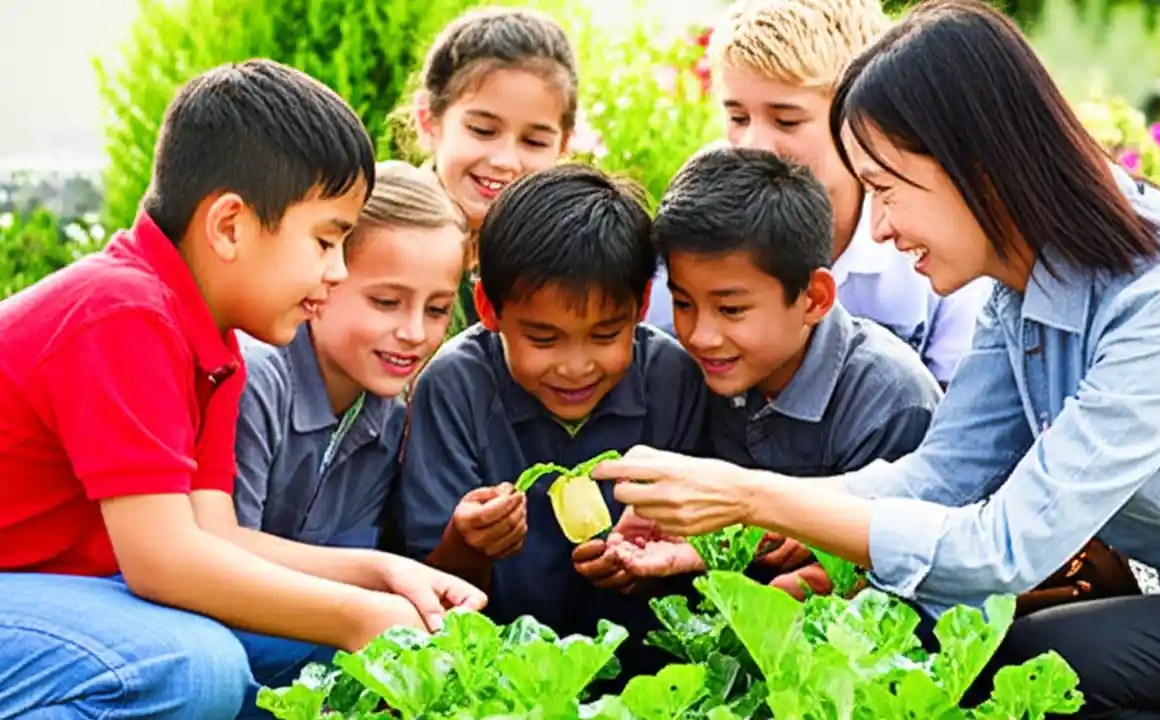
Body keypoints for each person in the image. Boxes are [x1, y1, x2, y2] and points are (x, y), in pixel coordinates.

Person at [592, 1, 1160, 717]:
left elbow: (1004, 550)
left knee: (1048, 665)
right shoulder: (1023, 283)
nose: (881, 226)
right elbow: (939, 478)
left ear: (977, 165)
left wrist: (750, 496)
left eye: (886, 190)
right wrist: (718, 523)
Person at [0, 60, 483, 720]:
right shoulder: (124, 312)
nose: (336, 270)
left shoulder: (213, 342)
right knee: (194, 670)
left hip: (51, 593)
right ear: (229, 226)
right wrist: (354, 615)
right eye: (325, 240)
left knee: (311, 649)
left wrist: (381, 576)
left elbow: (214, 538)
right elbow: (163, 564)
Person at [394, 163, 707, 680]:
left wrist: (647, 571)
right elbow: (429, 585)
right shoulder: (455, 387)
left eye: (606, 335)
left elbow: (703, 557)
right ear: (488, 310)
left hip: (647, 680)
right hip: (495, 681)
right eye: (544, 339)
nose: (575, 366)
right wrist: (467, 544)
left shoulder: (673, 380)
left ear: (641, 307)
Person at [630, 145, 939, 596]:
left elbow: (908, 563)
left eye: (731, 309)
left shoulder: (889, 400)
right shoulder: (684, 368)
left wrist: (824, 582)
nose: (700, 335)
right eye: (682, 303)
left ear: (813, 298)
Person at [643, 0, 990, 386]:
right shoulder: (701, 204)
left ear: (860, 117)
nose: (754, 144)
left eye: (787, 121)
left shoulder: (923, 226)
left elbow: (961, 403)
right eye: (738, 117)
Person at [234, 161, 467, 550]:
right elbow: (225, 556)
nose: (413, 333)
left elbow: (347, 561)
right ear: (324, 278)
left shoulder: (388, 416)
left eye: (437, 309)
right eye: (386, 302)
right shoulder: (257, 380)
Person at [409, 6, 579, 330]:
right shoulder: (376, 235)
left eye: (534, 142)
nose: (505, 161)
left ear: (564, 145)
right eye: (483, 131)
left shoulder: (562, 261)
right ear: (428, 120)